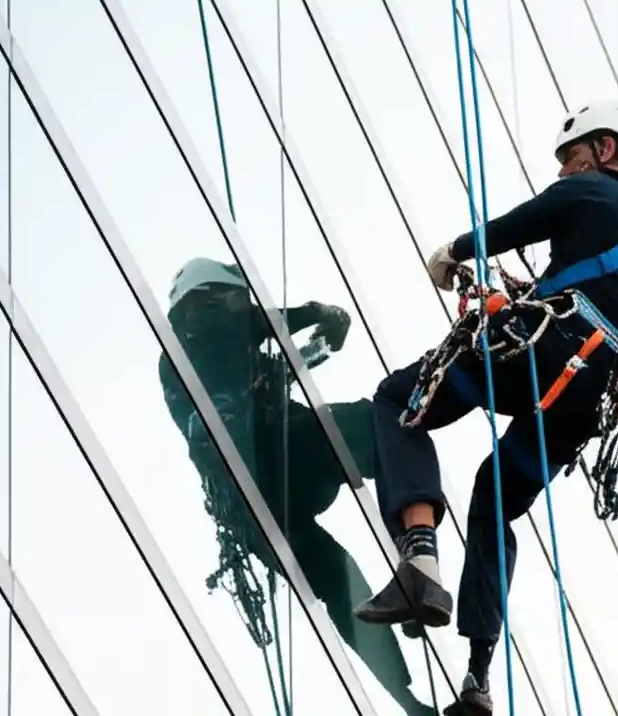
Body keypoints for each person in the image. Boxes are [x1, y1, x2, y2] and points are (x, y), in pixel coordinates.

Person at [354, 99, 618, 715]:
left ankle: (419, 554)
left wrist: (453, 250)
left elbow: (516, 224)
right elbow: (609, 300)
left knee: (401, 399)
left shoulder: (594, 193)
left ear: (605, 150)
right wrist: (530, 295)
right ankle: (478, 678)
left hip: (539, 356)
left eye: (571, 157)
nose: (564, 172)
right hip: (586, 399)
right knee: (496, 498)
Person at [157, 257, 437, 716]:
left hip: (258, 493)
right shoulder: (197, 330)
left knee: (338, 583)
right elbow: (243, 326)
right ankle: (416, 564)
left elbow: (266, 359)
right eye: (234, 297)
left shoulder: (228, 353)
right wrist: (315, 313)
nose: (241, 305)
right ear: (205, 296)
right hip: (271, 461)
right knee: (377, 425)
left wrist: (319, 341)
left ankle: (409, 701)